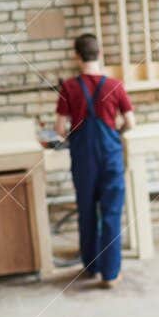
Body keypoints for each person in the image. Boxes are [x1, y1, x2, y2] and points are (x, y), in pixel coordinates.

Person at [54, 33, 135, 288]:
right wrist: (115, 132)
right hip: (110, 155)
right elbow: (131, 122)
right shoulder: (115, 86)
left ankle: (91, 266)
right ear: (100, 54)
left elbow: (59, 128)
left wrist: (74, 137)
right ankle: (110, 274)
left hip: (83, 157)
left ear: (77, 56)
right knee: (111, 212)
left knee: (87, 210)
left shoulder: (69, 87)